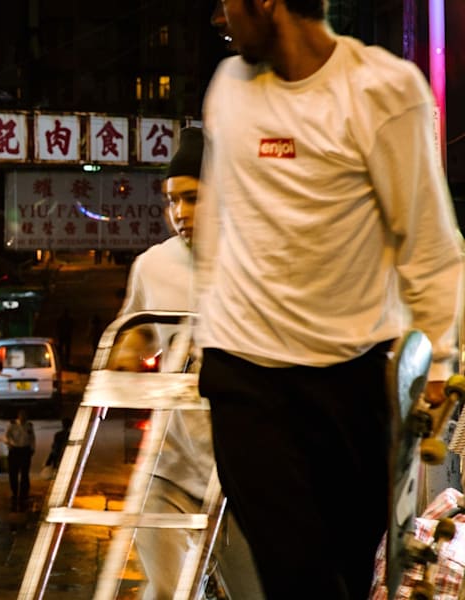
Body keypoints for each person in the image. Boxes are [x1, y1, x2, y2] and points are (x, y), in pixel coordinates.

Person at [195, 1, 463, 597]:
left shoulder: (384, 92)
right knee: (298, 576)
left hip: (349, 380)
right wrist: (207, 328)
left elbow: (429, 244)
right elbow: (216, 221)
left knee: (345, 567)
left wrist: (441, 363)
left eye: (228, 4)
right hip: (244, 375)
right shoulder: (228, 88)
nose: (220, 17)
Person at [118, 127, 263, 599]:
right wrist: (127, 350)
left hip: (244, 472)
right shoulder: (152, 266)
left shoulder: (260, 263)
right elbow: (138, 331)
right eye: (171, 200)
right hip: (171, 465)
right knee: (165, 590)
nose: (178, 213)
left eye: (192, 198)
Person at [3, 409, 35, 511]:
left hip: (25, 451)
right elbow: (6, 436)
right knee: (13, 473)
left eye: (25, 416)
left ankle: (23, 494)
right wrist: (9, 444)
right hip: (15, 450)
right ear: (18, 416)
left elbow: (32, 438)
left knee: (25, 473)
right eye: (21, 416)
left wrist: (32, 449)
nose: (23, 418)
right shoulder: (12, 425)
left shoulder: (29, 426)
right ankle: (14, 492)